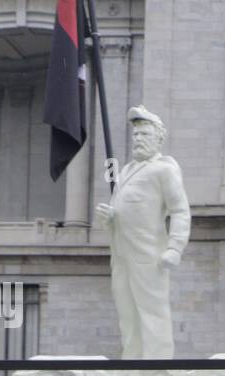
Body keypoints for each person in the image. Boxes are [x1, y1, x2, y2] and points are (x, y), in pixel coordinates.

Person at [94, 106, 190, 360]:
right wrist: (110, 217)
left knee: (152, 310)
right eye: (135, 135)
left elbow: (180, 210)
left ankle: (157, 364)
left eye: (145, 134)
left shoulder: (164, 169)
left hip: (149, 253)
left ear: (158, 138)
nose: (138, 139)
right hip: (122, 254)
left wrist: (175, 247)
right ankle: (133, 361)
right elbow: (122, 209)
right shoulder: (125, 171)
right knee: (127, 311)